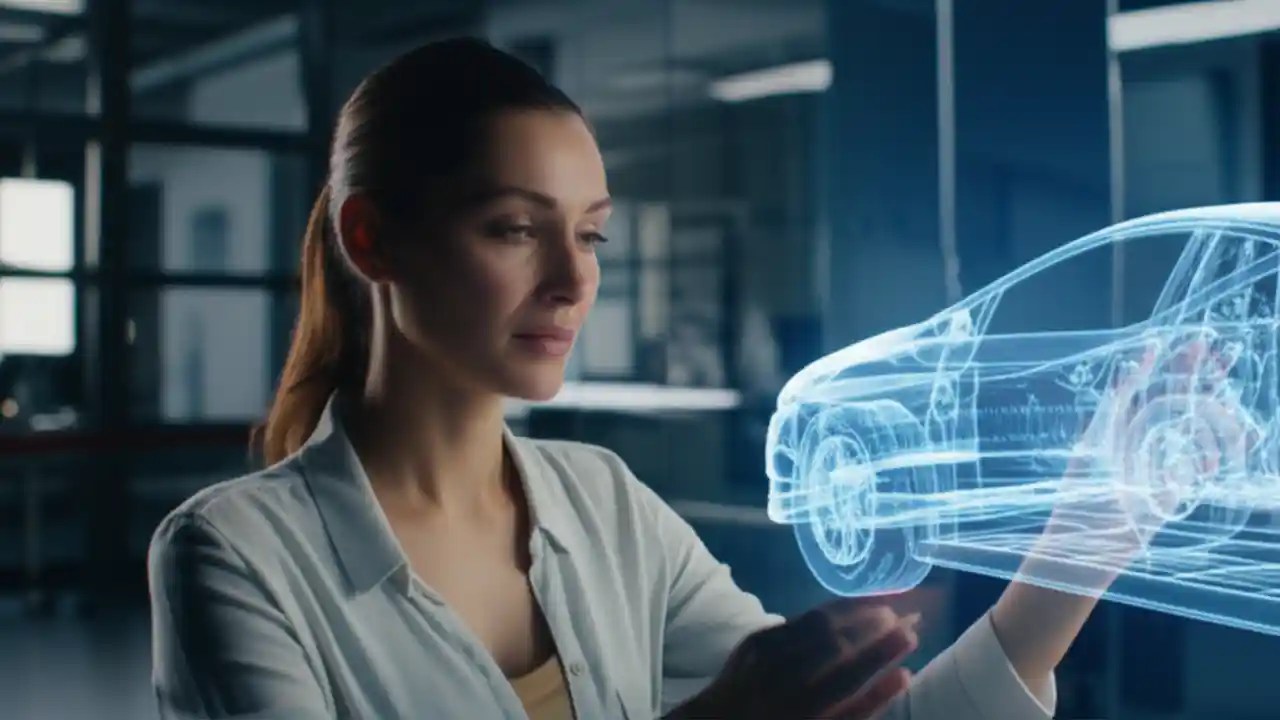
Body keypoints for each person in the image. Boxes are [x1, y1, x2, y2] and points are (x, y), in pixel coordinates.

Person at [146, 37, 1238, 720]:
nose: (575, 280)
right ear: (371, 238)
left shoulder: (604, 507)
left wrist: (1090, 531)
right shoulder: (233, 558)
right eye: (513, 229)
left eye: (592, 235)